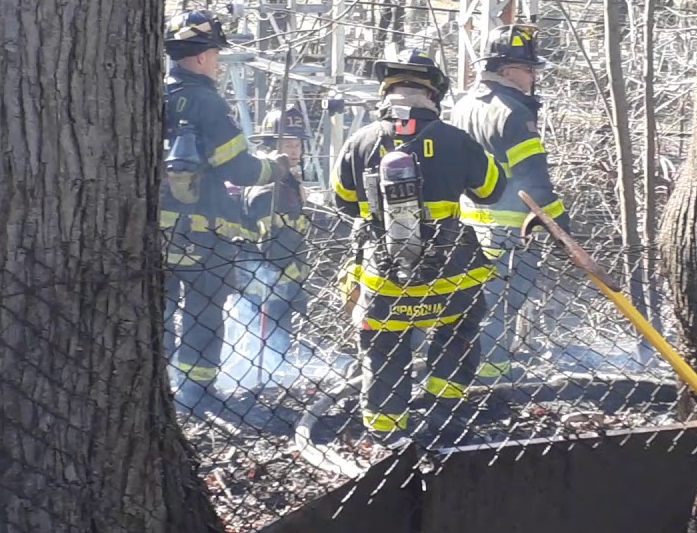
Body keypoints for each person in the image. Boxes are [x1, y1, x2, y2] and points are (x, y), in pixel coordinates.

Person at [332, 49, 505, 441]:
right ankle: (444, 419)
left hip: (384, 279)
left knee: (383, 354)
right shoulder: (455, 141)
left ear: (385, 90)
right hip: (452, 279)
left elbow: (341, 201)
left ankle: (387, 438)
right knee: (457, 337)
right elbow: (493, 190)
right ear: (434, 94)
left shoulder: (360, 141)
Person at [160, 9, 291, 414]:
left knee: (157, 314)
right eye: (216, 53)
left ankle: (159, 388)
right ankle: (196, 394)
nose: (218, 61)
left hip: (156, 230)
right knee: (204, 313)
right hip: (205, 235)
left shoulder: (156, 93)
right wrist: (276, 167)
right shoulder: (206, 102)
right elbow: (238, 167)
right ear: (200, 57)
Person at [448, 24, 570, 383]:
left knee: (474, 304)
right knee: (501, 307)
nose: (534, 77)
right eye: (528, 69)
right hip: (510, 232)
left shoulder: (463, 106)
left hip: (469, 226)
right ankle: (494, 381)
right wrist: (563, 228)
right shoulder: (514, 113)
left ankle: (467, 371)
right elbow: (535, 180)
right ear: (505, 70)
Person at [231, 106, 311, 391]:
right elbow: (275, 245)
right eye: (288, 143)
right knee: (266, 343)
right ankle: (263, 386)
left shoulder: (282, 180)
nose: (295, 149)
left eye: (298, 143)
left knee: (266, 343)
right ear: (271, 144)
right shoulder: (269, 187)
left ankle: (266, 381)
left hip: (274, 281)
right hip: (269, 284)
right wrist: (290, 280)